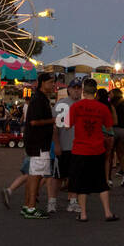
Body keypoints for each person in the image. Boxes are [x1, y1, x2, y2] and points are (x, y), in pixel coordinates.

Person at [68, 78, 119, 222]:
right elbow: (109, 126)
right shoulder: (103, 108)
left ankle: (83, 214)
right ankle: (107, 212)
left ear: (83, 91)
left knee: (81, 184)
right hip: (97, 149)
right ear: (96, 92)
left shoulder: (76, 107)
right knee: (101, 181)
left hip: (80, 149)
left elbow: (68, 124)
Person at [21, 72, 56, 219]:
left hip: (35, 142)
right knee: (36, 174)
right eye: (50, 82)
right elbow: (34, 122)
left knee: (32, 174)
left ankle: (27, 205)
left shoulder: (40, 99)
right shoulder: (39, 100)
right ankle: (31, 207)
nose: (53, 85)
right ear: (42, 83)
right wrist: (52, 120)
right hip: (39, 142)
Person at [53, 78, 82, 215]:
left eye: (79, 88)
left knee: (75, 176)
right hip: (64, 146)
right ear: (69, 90)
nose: (76, 90)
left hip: (78, 147)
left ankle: (73, 202)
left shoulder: (84, 104)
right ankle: (52, 202)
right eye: (74, 87)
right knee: (58, 177)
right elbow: (54, 127)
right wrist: (57, 145)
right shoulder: (61, 104)